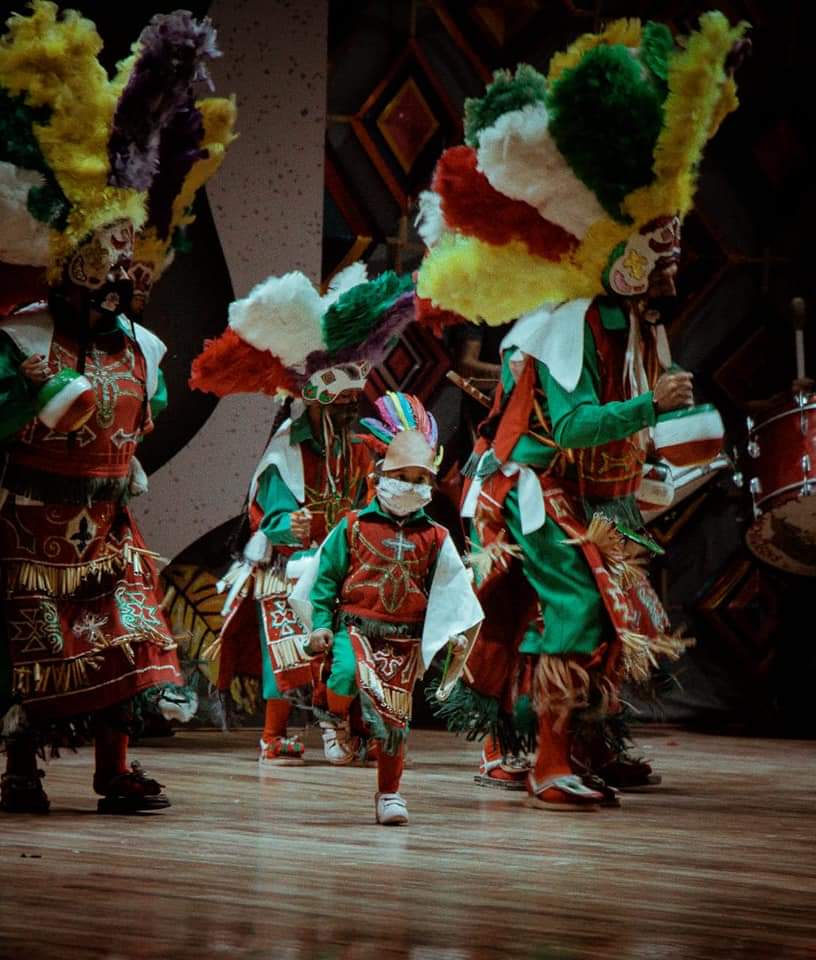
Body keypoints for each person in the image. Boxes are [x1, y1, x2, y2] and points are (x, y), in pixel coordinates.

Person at [417, 13, 748, 808]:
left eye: (674, 236)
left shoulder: (632, 324)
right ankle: (543, 762)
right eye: (656, 239)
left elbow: (622, 429)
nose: (671, 252)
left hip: (590, 493)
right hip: (533, 488)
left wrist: (654, 466)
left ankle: (579, 744)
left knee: (587, 610)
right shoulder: (566, 323)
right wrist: (649, 406)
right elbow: (569, 429)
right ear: (611, 249)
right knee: (576, 611)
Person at [0, 3, 232, 813]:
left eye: (127, 251)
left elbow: (148, 409)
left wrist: (123, 455)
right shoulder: (21, 341)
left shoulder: (143, 346)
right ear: (68, 258)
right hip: (28, 521)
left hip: (106, 523)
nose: (119, 266)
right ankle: (20, 770)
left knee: (130, 641)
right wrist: (33, 414)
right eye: (103, 251)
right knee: (27, 656)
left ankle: (115, 771)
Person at [190, 267, 416, 765]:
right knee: (288, 654)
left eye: (351, 404)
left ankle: (350, 723)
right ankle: (273, 735)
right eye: (338, 404)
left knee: (360, 640)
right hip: (287, 566)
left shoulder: (357, 449)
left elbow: (368, 496)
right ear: (315, 401)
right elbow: (269, 514)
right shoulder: (284, 453)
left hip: (342, 562)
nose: (346, 412)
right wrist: (284, 525)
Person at [290, 392, 483, 824]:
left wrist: (454, 635)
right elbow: (324, 580)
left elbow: (454, 592)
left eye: (421, 478)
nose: (411, 484)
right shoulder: (353, 526)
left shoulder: (435, 537)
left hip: (404, 642)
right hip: (355, 630)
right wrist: (321, 624)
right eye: (403, 475)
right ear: (380, 476)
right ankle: (334, 715)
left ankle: (389, 794)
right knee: (343, 674)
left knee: (395, 724)